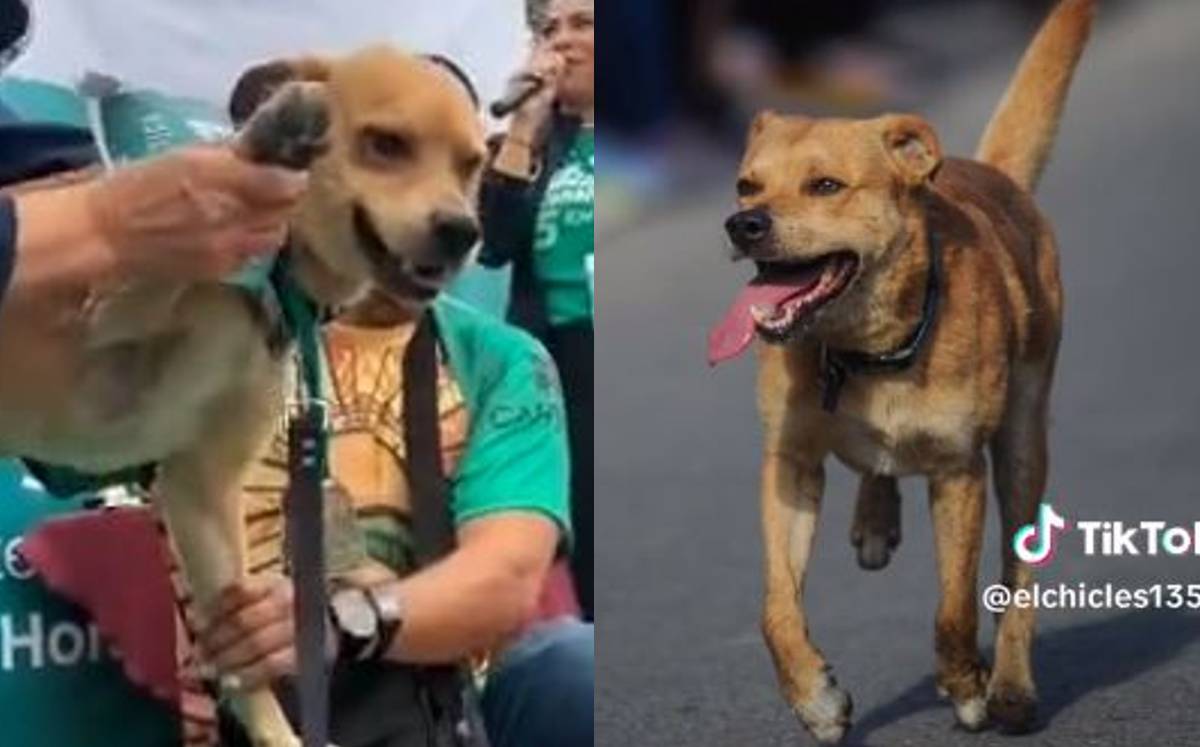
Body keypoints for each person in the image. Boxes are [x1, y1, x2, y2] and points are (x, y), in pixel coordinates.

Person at [479, 0, 595, 621]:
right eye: (549, 29)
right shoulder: (537, 145)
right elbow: (495, 243)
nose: (563, 43)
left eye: (584, 24)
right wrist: (525, 126)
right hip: (560, 362)